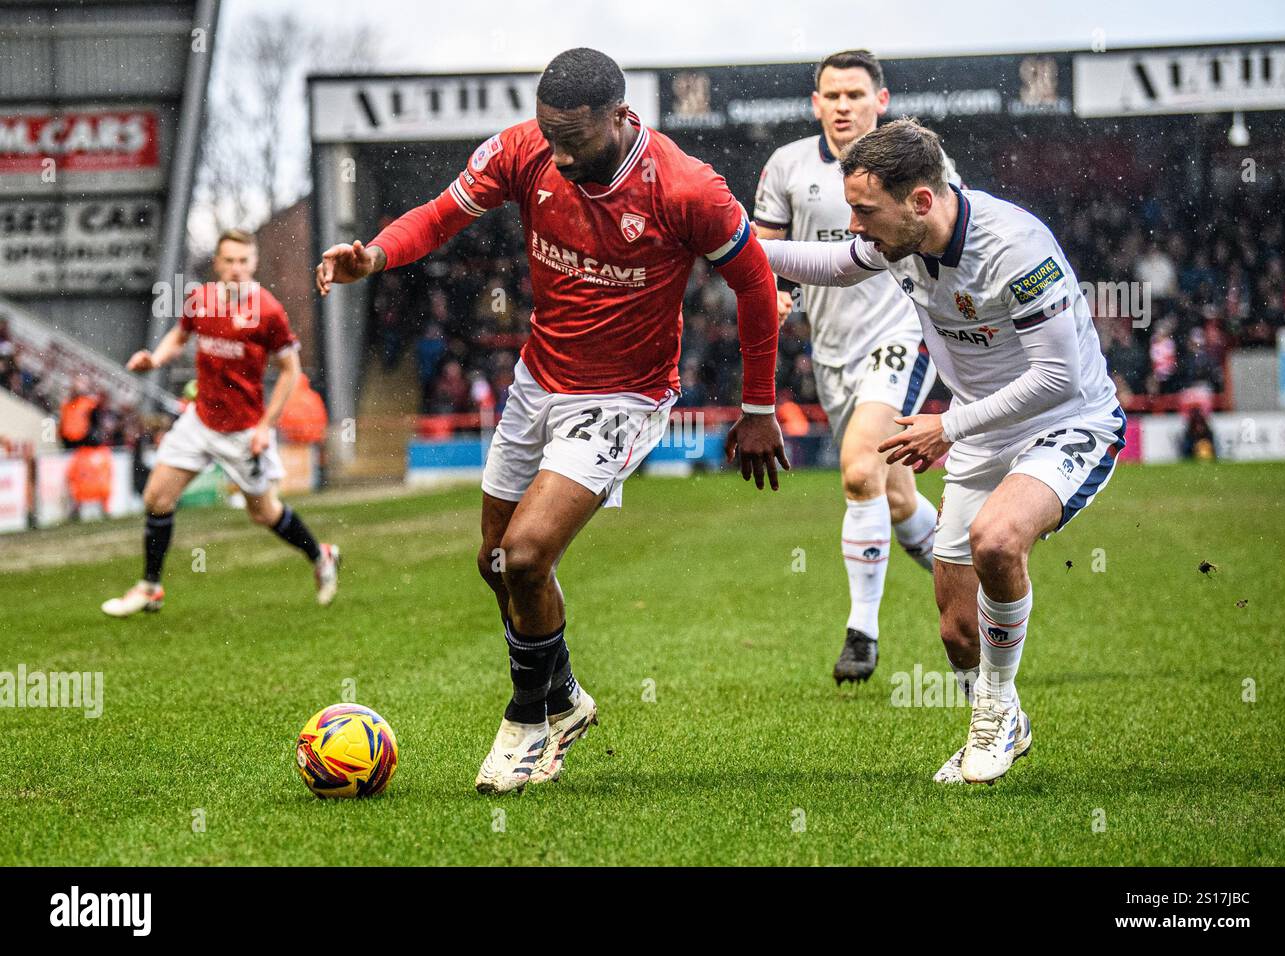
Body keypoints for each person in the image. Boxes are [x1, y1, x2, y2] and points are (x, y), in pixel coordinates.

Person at [316, 47, 785, 794]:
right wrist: (374, 256)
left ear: (620, 116)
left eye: (576, 140)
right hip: (538, 380)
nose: (560, 157)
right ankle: (564, 697)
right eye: (551, 137)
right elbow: (440, 216)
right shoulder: (522, 150)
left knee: (527, 557)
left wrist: (758, 407)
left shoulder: (687, 188)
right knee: (493, 562)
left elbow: (757, 285)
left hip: (624, 398)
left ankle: (527, 726)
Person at [759, 118, 1124, 784]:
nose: (855, 225)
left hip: (1067, 421)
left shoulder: (1014, 247)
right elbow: (836, 265)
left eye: (865, 211)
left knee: (996, 540)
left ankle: (989, 724)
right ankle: (1006, 717)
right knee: (957, 634)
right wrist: (736, 248)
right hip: (980, 428)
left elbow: (1056, 379)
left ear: (920, 201)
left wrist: (945, 428)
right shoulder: (898, 237)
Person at [754, 50, 950, 684]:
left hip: (902, 334)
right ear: (816, 104)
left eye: (855, 95)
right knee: (892, 496)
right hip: (831, 353)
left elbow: (952, 233)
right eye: (831, 96)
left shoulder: (920, 164)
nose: (843, 107)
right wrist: (774, 293)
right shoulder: (786, 165)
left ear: (881, 101)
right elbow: (766, 249)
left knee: (861, 468)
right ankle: (971, 569)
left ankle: (861, 633)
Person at [101, 229, 340, 617]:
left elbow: (290, 371)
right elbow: (180, 336)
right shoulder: (200, 300)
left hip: (244, 432)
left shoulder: (268, 311)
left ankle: (321, 555)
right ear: (217, 263)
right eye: (229, 261)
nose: (236, 269)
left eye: (243, 261)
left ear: (254, 263)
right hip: (199, 421)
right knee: (157, 499)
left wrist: (265, 426)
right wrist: (156, 359)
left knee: (263, 513)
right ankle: (150, 588)